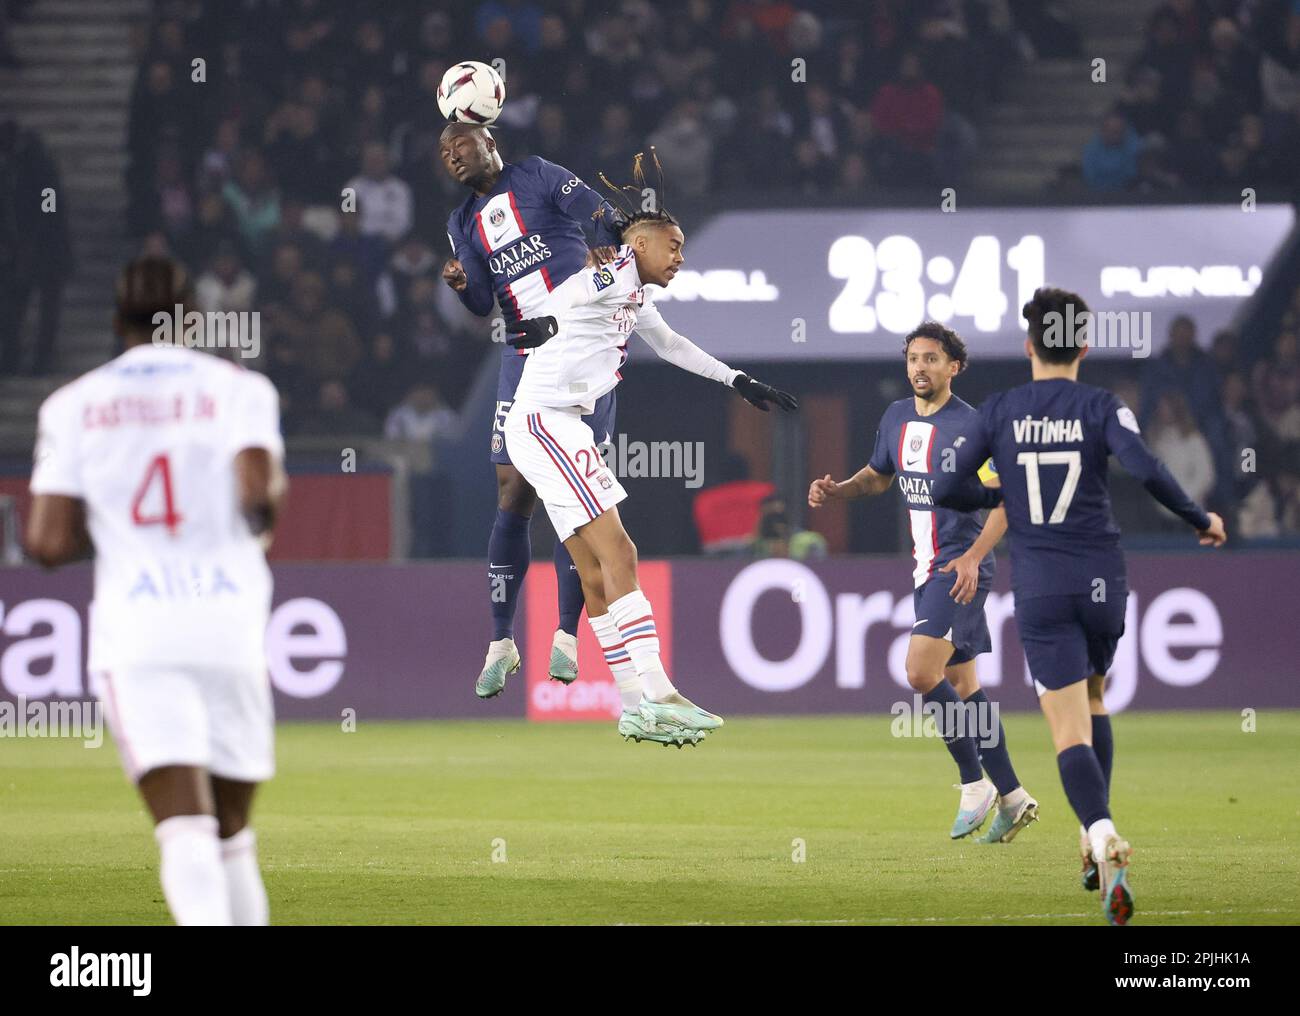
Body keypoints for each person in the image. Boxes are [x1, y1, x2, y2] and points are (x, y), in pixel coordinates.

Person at [932, 287, 1226, 925]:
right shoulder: (1103, 406)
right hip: (1103, 583)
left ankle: (1102, 833)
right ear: (1084, 346)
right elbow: (1146, 467)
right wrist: (1199, 517)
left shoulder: (1003, 410)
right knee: (1095, 699)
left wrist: (998, 494)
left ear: (1029, 344)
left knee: (1068, 728)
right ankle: (1091, 838)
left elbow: (949, 483)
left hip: (1042, 587)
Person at [25, 256, 286, 926]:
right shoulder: (240, 390)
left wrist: (108, 522)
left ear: (116, 323)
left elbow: (47, 543)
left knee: (184, 829)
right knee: (234, 838)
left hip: (140, 630)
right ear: (190, 319)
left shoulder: (71, 406)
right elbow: (260, 500)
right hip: (229, 623)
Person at [503, 206, 796, 744]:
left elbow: (670, 345)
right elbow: (567, 295)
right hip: (549, 423)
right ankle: (662, 692)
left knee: (595, 570)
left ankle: (634, 705)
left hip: (554, 426)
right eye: (673, 245)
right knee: (623, 554)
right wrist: (546, 321)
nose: (681, 256)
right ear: (638, 244)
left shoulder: (637, 292)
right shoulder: (610, 272)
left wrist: (738, 381)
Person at [808, 322, 1038, 843]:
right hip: (926, 567)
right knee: (963, 685)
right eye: (913, 358)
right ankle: (1014, 795)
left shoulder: (974, 429)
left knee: (917, 672)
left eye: (932, 358)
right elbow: (879, 475)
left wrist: (975, 557)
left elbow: (1006, 505)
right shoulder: (896, 417)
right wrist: (838, 490)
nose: (920, 367)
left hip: (959, 568)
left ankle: (972, 783)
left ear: (953, 367)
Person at [439, 121, 622, 698]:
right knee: (512, 493)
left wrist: (609, 234)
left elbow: (598, 210)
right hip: (522, 355)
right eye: (444, 153)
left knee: (574, 497)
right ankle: (501, 641)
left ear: (488, 140)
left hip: (584, 350)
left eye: (459, 145)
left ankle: (566, 635)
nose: (451, 157)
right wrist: (461, 283)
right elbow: (478, 302)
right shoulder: (461, 221)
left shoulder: (538, 175)